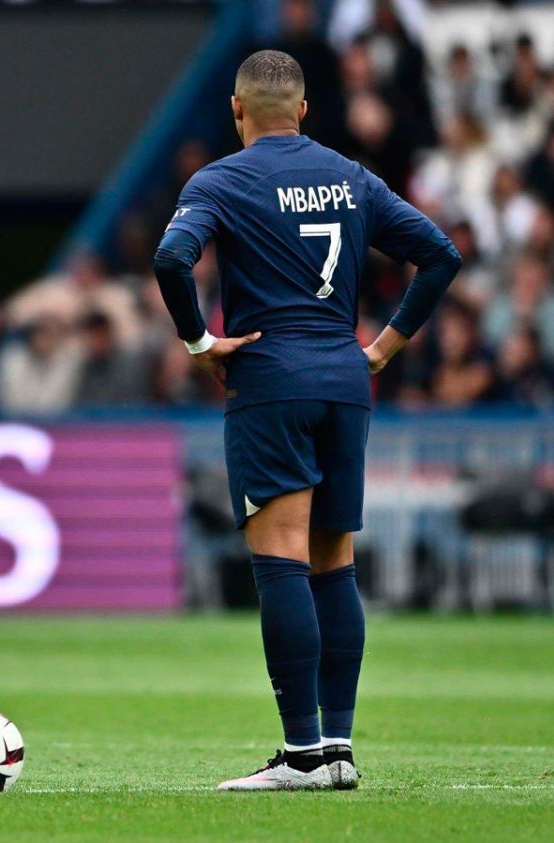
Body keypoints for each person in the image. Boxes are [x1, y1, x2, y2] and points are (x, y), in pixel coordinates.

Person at [153, 50, 460, 791]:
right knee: (334, 561)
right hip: (346, 377)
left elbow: (171, 257)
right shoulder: (351, 177)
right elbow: (440, 256)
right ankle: (339, 746)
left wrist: (199, 342)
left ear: (236, 110)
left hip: (270, 377)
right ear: (304, 110)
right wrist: (383, 347)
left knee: (282, 558)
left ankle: (300, 754)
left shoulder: (221, 179)